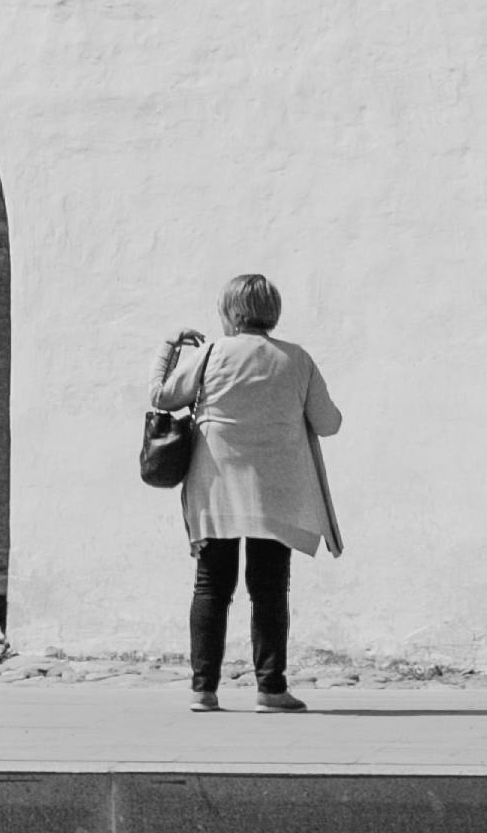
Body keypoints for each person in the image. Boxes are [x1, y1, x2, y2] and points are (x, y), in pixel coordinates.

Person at [152, 271, 341, 712]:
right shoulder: (297, 359)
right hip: (278, 491)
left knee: (212, 586)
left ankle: (204, 688)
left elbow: (163, 396)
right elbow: (328, 423)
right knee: (270, 589)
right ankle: (271, 687)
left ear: (232, 312)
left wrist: (169, 348)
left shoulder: (213, 352)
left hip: (216, 486)